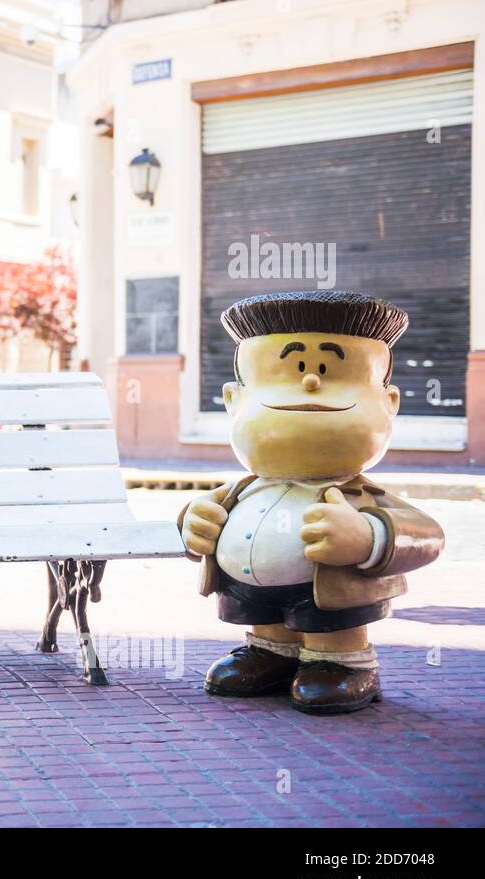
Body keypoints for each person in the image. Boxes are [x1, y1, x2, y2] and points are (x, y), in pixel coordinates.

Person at [178, 291, 444, 715]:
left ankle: (341, 662)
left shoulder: (362, 496)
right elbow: (196, 521)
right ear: (233, 401)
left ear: (388, 402)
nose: (311, 382)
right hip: (249, 592)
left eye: (331, 371)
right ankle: (270, 651)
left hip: (330, 596)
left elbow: (427, 536)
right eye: (289, 371)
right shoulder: (239, 491)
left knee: (330, 627)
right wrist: (194, 523)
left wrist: (369, 537)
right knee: (266, 624)